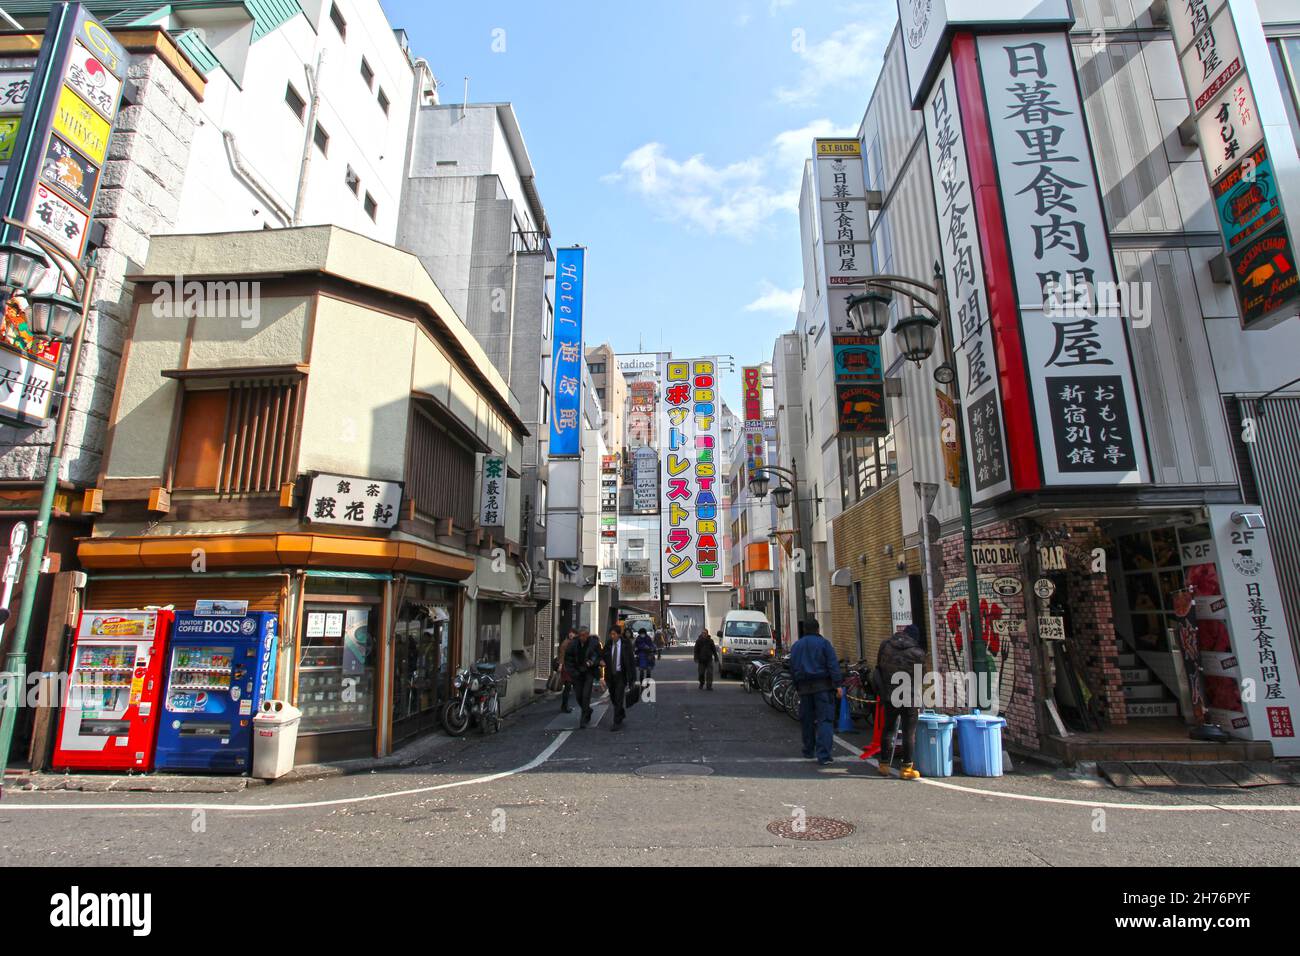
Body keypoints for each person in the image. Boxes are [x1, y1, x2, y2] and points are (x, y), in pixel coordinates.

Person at [872, 623, 927, 779]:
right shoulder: (918, 652)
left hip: (889, 694)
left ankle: (883, 765)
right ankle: (906, 769)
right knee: (909, 732)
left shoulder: (886, 646)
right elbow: (921, 677)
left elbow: (879, 668)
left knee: (888, 729)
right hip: (909, 696)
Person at [789, 618, 842, 765]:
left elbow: (792, 667)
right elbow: (832, 665)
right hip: (823, 687)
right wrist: (837, 684)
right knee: (824, 720)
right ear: (818, 629)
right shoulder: (824, 644)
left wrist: (796, 686)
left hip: (804, 688)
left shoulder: (797, 646)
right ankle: (823, 755)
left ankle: (808, 750)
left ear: (804, 630)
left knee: (807, 721)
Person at [566, 626, 603, 727]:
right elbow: (568, 658)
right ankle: (588, 710)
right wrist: (572, 672)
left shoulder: (594, 643)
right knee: (578, 696)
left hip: (589, 672)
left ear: (587, 635)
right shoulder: (573, 644)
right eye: (580, 635)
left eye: (584, 635)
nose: (582, 637)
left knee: (585, 695)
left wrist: (592, 662)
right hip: (577, 673)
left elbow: (598, 656)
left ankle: (583, 719)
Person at [603, 625, 637, 732]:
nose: (612, 636)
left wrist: (632, 679)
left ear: (618, 634)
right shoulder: (608, 644)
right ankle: (621, 713)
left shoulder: (626, 645)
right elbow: (603, 656)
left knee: (618, 698)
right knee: (613, 697)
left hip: (621, 675)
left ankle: (616, 722)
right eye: (611, 634)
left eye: (614, 634)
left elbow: (631, 662)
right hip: (610, 675)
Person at [556, 628, 577, 713]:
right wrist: (561, 665)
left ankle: (564, 706)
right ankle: (564, 706)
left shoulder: (572, 642)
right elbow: (562, 654)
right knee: (567, 687)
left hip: (570, 667)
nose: (571, 634)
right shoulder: (566, 643)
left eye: (573, 633)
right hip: (566, 668)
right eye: (570, 633)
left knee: (568, 688)